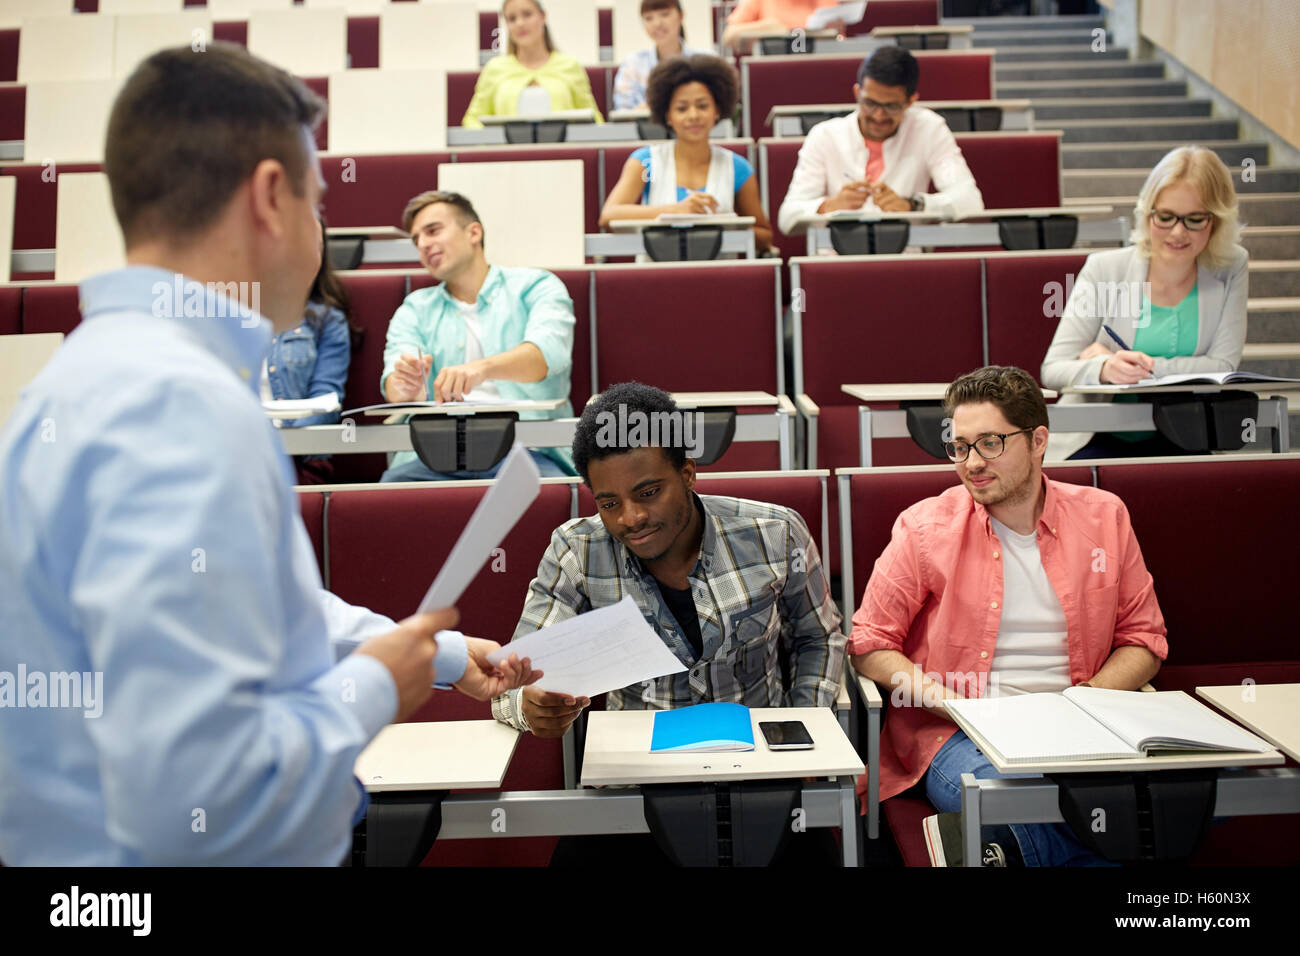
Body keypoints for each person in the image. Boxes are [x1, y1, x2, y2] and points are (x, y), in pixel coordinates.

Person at [0, 43, 539, 866]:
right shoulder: (178, 405)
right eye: (319, 202)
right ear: (270, 197)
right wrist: (369, 692)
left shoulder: (104, 376)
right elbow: (196, 795)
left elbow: (242, 613)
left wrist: (436, 655)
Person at [849, 365, 1168, 866]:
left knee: (1207, 787)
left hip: (1085, 724)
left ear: (1039, 440)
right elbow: (869, 643)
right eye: (960, 446)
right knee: (1010, 797)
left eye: (990, 443)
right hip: (960, 734)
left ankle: (1005, 851)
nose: (971, 463)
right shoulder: (925, 527)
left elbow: (1144, 639)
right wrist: (958, 706)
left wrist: (1083, 705)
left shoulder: (1104, 517)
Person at [492, 382, 845, 736]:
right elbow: (513, 681)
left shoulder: (776, 533)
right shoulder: (576, 551)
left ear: (687, 474)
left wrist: (804, 730)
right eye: (609, 504)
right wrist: (527, 704)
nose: (631, 518)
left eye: (648, 493)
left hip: (760, 757)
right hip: (638, 771)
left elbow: (818, 637)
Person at [1040, 146, 1248, 460]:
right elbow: (1053, 369)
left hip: (1186, 435)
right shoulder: (1104, 268)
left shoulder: (1231, 267)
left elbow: (1222, 366)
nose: (1177, 232)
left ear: (1216, 221)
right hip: (1095, 436)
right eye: (1165, 217)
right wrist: (1104, 367)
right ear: (1147, 213)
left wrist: (1134, 367)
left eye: (1194, 219)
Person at [380, 190, 575, 481]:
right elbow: (395, 385)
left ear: (473, 232)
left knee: (550, 493)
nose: (422, 244)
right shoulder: (415, 308)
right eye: (416, 239)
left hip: (527, 448)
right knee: (388, 496)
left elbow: (547, 356)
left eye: (432, 231)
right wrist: (405, 385)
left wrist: (480, 369)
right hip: (434, 455)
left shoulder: (537, 286)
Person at [777, 46, 984, 235]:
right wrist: (829, 206)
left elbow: (969, 201)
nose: (878, 116)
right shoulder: (825, 136)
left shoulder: (929, 129)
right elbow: (787, 217)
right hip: (835, 261)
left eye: (891, 107)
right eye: (870, 103)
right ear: (857, 93)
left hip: (907, 260)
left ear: (911, 101)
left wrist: (913, 206)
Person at [600, 54, 772, 253]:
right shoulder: (645, 162)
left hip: (721, 275)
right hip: (656, 273)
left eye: (702, 106)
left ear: (717, 110)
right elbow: (609, 215)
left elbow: (764, 237)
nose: (693, 116)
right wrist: (675, 210)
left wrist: (726, 222)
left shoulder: (737, 167)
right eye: (682, 108)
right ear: (668, 115)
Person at [264, 217, 358, 484]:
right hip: (240, 450)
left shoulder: (327, 319)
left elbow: (326, 400)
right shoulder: (230, 309)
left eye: (314, 246)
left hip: (299, 457)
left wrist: (285, 447)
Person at [462, 0, 604, 129]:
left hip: (564, 155)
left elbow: (594, 119)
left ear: (542, 16)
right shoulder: (494, 68)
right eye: (512, 18)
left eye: (527, 14)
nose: (520, 23)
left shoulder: (570, 65)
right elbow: (472, 120)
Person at [610, 0, 706, 112]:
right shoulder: (632, 64)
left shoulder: (705, 61)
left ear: (681, 16)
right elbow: (622, 113)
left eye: (665, 14)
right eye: (648, 18)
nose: (657, 24)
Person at [722, 0, 844, 50]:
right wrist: (767, 28)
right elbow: (728, 36)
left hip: (815, 67)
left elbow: (838, 40)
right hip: (769, 68)